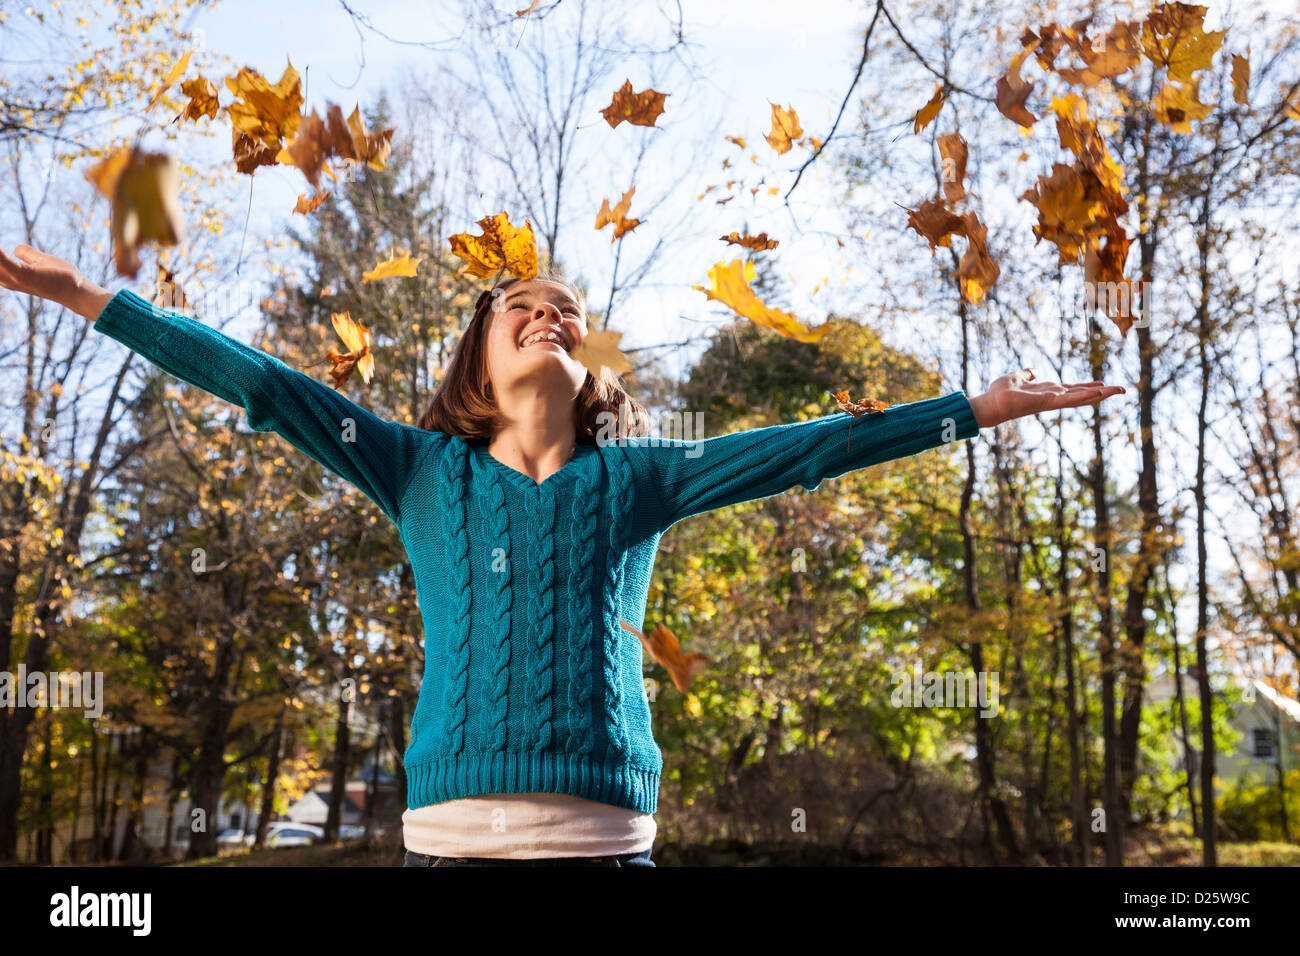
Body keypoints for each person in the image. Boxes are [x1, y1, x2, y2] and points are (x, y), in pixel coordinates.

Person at [0, 243, 1124, 867]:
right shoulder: (413, 468)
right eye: (520, 307)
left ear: (588, 368)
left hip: (606, 848)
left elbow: (810, 452)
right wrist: (86, 296)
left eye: (566, 310)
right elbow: (256, 381)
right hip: (447, 843)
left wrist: (970, 408)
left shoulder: (640, 478)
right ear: (476, 366)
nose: (549, 313)